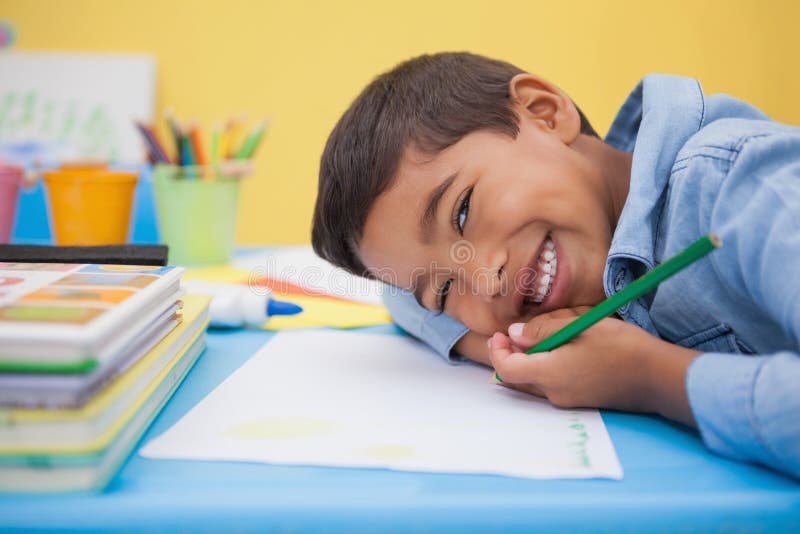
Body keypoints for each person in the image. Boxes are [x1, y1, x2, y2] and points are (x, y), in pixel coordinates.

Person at [311, 52, 800, 479]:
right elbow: (398, 294)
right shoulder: (579, 219)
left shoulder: (738, 184)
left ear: (544, 113)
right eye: (443, 290)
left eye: (462, 211)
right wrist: (511, 349)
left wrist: (651, 378)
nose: (485, 283)